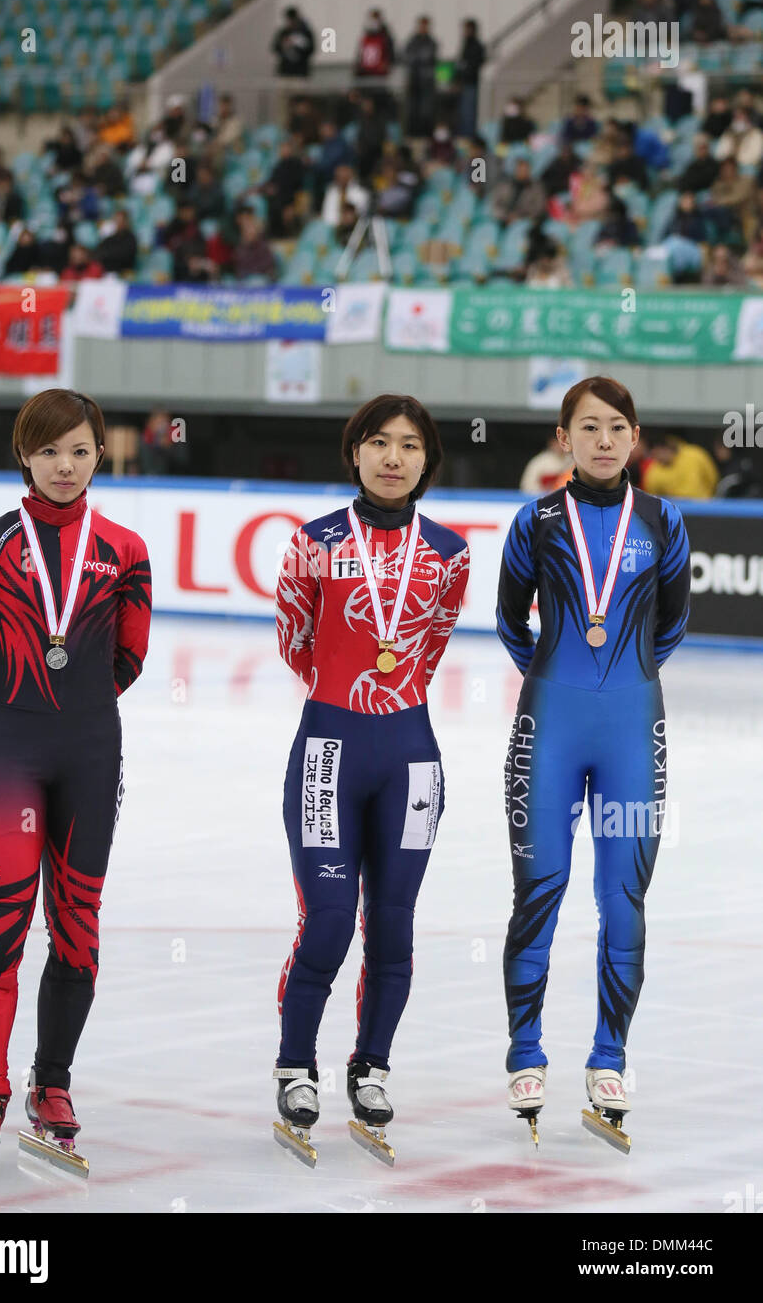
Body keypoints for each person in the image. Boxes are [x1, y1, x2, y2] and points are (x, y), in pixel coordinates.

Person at [0, 389, 152, 1175]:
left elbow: (128, 658)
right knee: (2, 916)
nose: (66, 466)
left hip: (92, 752)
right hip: (10, 755)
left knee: (78, 924)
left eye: (81, 451)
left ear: (101, 454)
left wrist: (77, 715)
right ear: (24, 454)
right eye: (50, 451)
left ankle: (51, 1084)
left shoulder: (125, 549)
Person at [272, 394, 470, 1160]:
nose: (394, 457)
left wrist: (387, 692)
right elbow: (295, 640)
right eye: (379, 443)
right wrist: (348, 693)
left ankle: (371, 1065)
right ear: (355, 452)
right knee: (325, 920)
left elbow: (434, 642)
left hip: (412, 757)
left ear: (428, 459)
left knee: (392, 924)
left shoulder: (449, 550)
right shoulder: (314, 542)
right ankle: (296, 1065)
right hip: (329, 746)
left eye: (411, 445)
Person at [496, 376, 690, 1142]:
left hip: (632, 731)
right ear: (564, 437)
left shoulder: (663, 520)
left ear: (634, 438)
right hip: (549, 724)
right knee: (539, 890)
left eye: (617, 427)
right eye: (589, 428)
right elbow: (511, 619)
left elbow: (672, 623)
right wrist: (553, 672)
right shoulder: (535, 519)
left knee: (623, 899)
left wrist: (628, 674)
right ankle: (526, 1050)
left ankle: (610, 1055)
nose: (604, 440)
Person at [642, 434, 719, 499]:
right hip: (677, 509)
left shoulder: (695, 453)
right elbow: (652, 493)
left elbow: (712, 477)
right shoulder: (655, 469)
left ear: (667, 448)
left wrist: (708, 496)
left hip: (702, 506)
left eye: (659, 451)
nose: (658, 456)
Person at [403, 17, 438, 139]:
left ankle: (425, 134)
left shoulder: (431, 42)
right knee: (413, 110)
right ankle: (413, 134)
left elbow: (427, 58)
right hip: (414, 82)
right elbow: (408, 57)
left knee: (426, 111)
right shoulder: (413, 41)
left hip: (426, 83)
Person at [454, 19, 486, 140]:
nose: (465, 32)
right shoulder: (465, 44)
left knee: (468, 113)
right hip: (464, 83)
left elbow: (473, 65)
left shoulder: (476, 46)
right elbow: (461, 64)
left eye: (467, 29)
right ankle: (463, 134)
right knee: (462, 112)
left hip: (471, 83)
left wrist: (464, 76)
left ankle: (467, 136)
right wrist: (457, 80)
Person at [271, 7, 315, 78]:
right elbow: (275, 47)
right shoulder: (284, 32)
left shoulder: (305, 32)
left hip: (301, 71)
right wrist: (284, 45)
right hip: (286, 70)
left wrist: (297, 46)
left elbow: (311, 49)